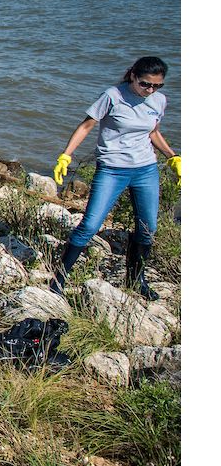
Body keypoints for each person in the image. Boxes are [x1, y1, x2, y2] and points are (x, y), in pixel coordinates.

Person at [50, 56, 180, 298]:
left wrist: (173, 157)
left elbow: (153, 132)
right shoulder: (113, 96)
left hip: (145, 170)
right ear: (133, 76)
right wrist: (65, 156)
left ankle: (136, 279)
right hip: (112, 169)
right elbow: (86, 126)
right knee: (90, 225)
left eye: (156, 86)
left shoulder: (159, 100)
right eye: (145, 84)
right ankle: (59, 279)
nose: (150, 90)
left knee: (148, 228)